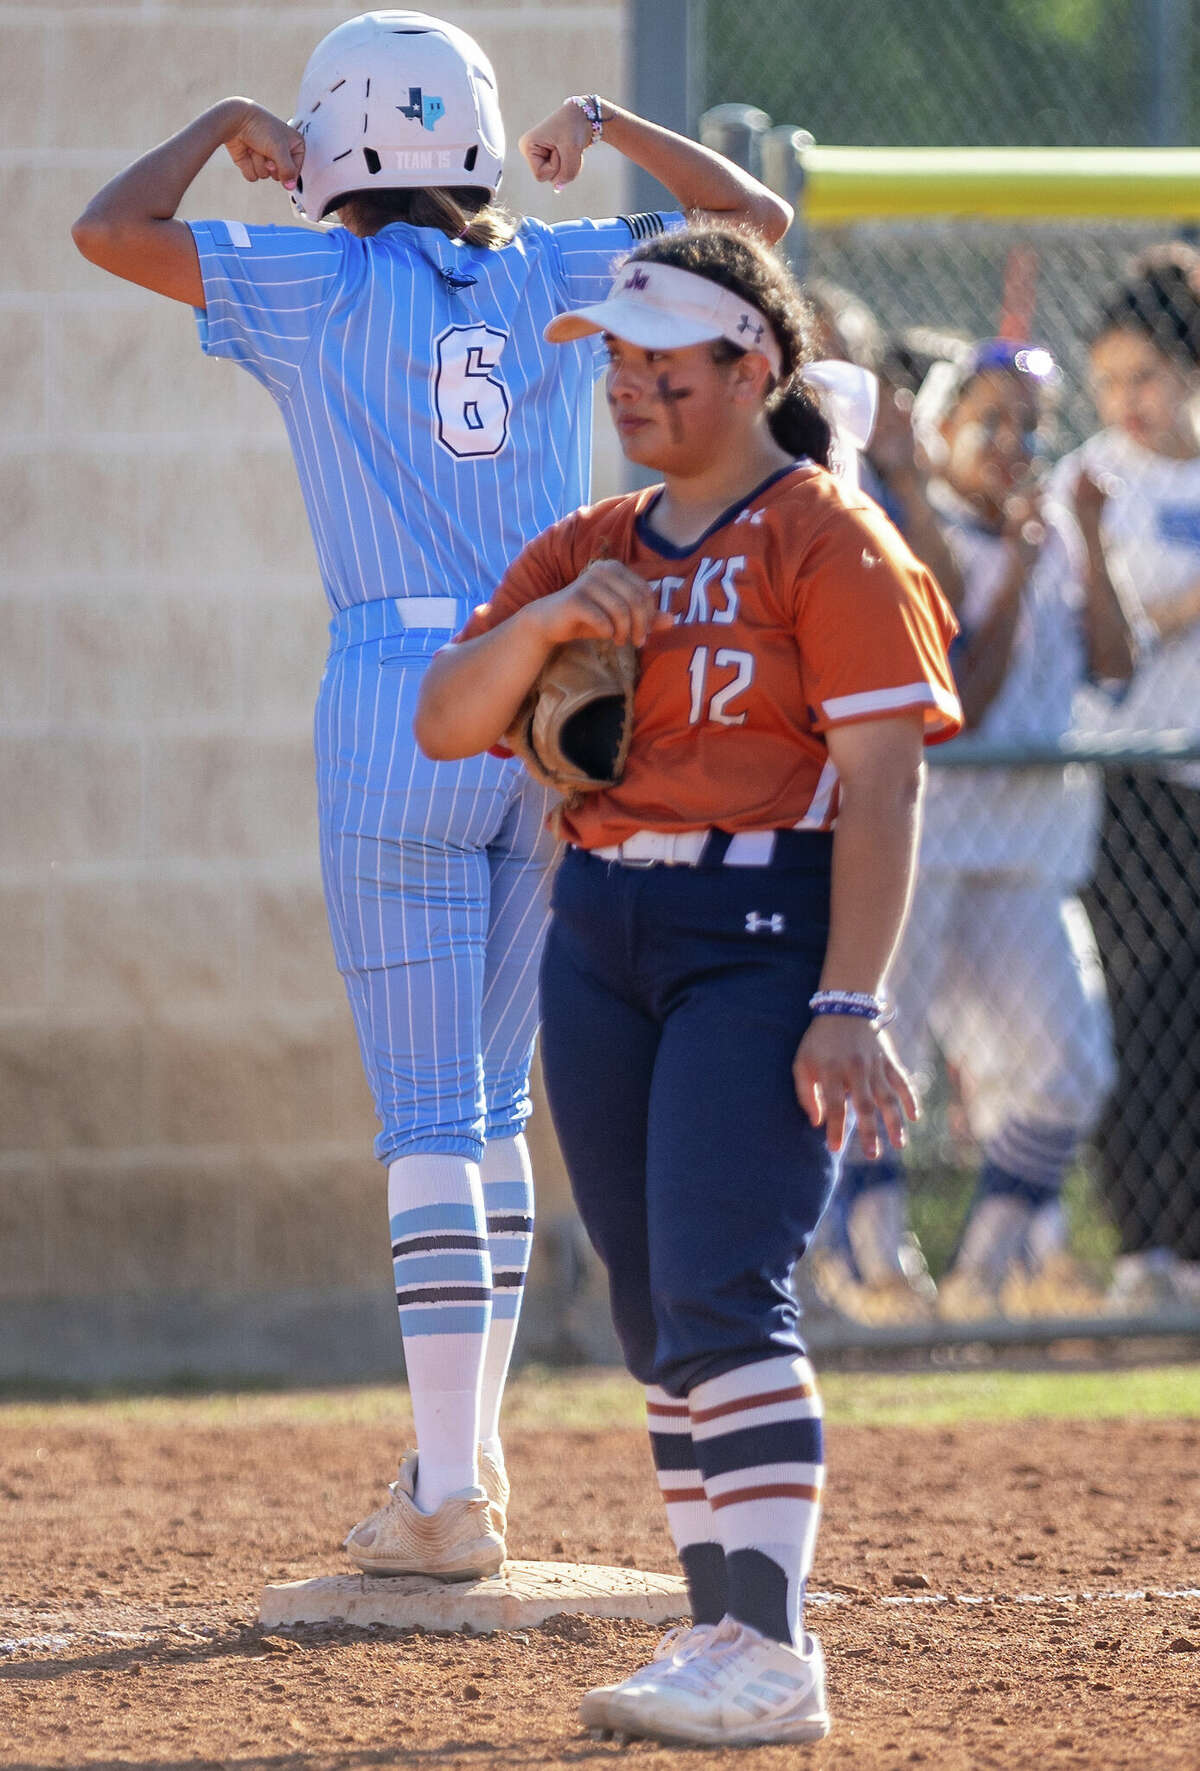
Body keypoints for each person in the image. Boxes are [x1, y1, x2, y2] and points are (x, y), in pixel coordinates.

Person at [70, 10, 791, 1578]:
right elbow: (756, 222)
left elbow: (108, 229)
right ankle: (464, 1462)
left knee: (424, 1120)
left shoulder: (315, 279)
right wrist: (604, 121)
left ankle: (449, 1489)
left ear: (332, 152)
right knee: (490, 1112)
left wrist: (223, 119)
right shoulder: (557, 270)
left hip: (399, 694)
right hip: (551, 697)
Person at [415, 224, 960, 1746]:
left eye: (664, 358)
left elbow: (885, 784)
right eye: (617, 354)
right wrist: (550, 621)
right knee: (656, 1301)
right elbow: (447, 717)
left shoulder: (827, 536)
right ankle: (720, 1626)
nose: (629, 380)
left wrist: (849, 1000)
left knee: (724, 1282)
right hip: (600, 926)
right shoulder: (596, 540)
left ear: (750, 365)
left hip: (763, 926)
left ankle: (772, 1648)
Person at [825, 337, 1135, 1323]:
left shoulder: (1051, 529)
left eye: (1031, 427)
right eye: (990, 421)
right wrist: (1016, 567)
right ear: (944, 427)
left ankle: (985, 1272)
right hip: (925, 837)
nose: (1012, 444)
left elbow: (1116, 666)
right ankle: (872, 1265)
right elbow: (966, 698)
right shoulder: (913, 529)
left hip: (1027, 847)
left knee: (1069, 1066)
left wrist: (1080, 542)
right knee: (885, 1048)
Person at [1063, 248, 1200, 1313]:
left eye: (1145, 376)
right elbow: (1102, 639)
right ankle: (1146, 1239)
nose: (1126, 402)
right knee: (1144, 1008)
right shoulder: (1092, 481)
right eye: (1109, 381)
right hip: (1133, 785)